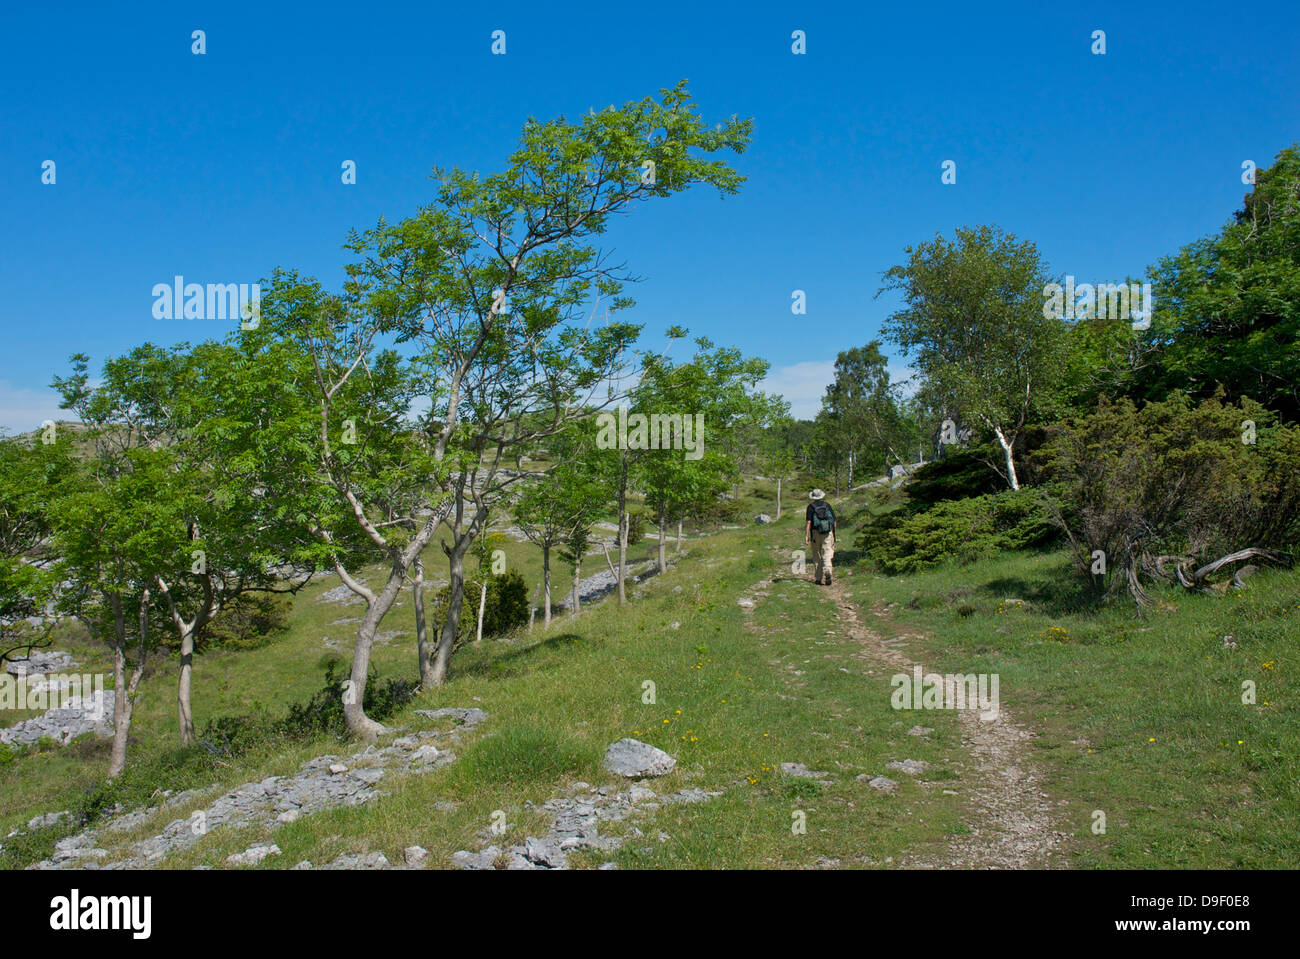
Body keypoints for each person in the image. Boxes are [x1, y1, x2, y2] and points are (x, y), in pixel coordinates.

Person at [804, 488, 836, 585]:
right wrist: (833, 533)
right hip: (827, 532)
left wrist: (806, 535)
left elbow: (809, 522)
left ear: (813, 497)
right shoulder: (827, 505)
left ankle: (818, 578)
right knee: (827, 552)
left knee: (816, 554)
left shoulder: (810, 507)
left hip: (815, 533)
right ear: (822, 496)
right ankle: (828, 571)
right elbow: (834, 521)